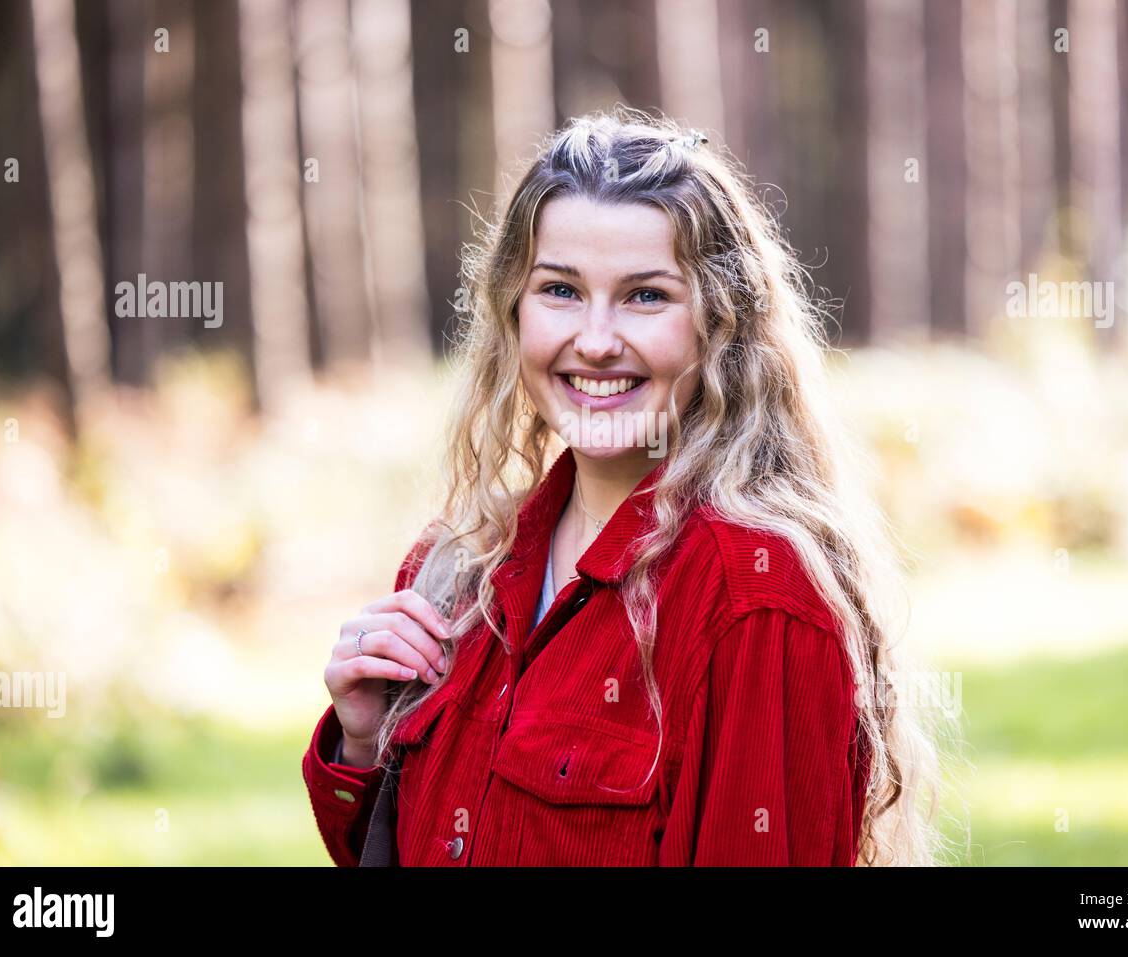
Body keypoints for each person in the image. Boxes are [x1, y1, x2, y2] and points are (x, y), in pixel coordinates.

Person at [302, 107, 944, 866]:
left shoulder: (756, 598)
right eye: (561, 290)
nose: (598, 340)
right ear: (513, 309)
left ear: (720, 325)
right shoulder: (459, 566)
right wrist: (366, 738)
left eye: (646, 296)